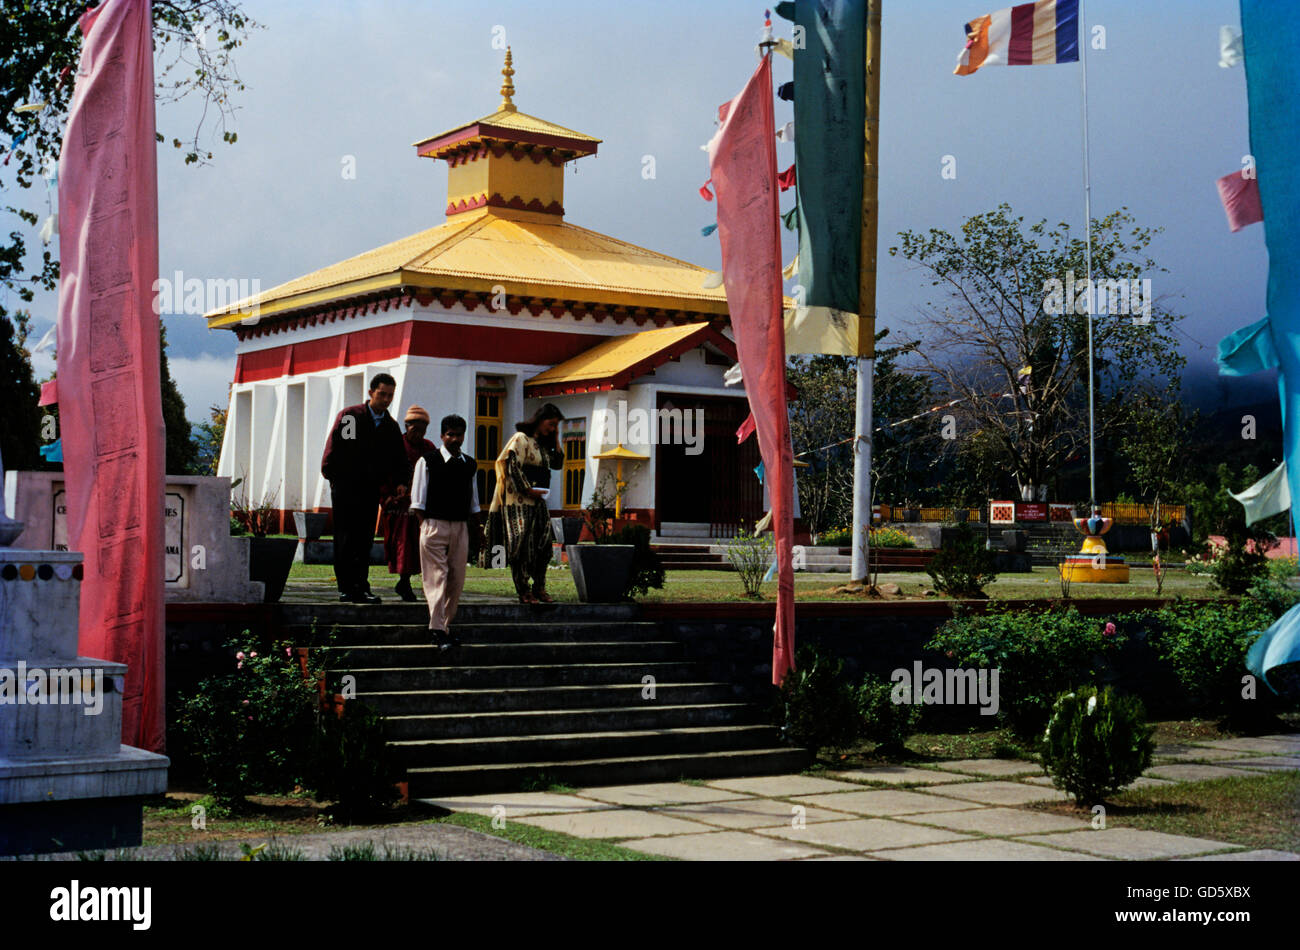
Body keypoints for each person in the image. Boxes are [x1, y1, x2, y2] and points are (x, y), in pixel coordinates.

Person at [320, 373, 407, 604]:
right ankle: (346, 587)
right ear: (371, 393)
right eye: (382, 394)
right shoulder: (352, 417)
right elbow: (342, 449)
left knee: (364, 539)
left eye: (390, 395)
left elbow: (398, 460)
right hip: (346, 487)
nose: (386, 399)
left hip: (370, 490)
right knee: (346, 537)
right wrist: (337, 479)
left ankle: (362, 586)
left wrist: (400, 483)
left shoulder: (390, 427)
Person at [410, 414, 480, 649]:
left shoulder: (469, 464)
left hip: (460, 526)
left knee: (456, 580)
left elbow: (474, 501)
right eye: (450, 434)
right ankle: (438, 630)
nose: (455, 439)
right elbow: (418, 501)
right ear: (442, 436)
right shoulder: (427, 461)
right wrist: (425, 526)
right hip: (434, 524)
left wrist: (476, 529)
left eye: (459, 434)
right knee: (437, 577)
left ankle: (444, 627)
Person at [487, 403, 565, 604]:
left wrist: (555, 437)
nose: (552, 428)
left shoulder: (544, 446)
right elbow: (512, 466)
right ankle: (523, 590)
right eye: (550, 424)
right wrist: (527, 489)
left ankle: (539, 587)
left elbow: (557, 464)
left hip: (538, 502)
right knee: (521, 546)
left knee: (544, 545)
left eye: (556, 425)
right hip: (519, 502)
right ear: (539, 421)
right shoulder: (521, 439)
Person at [381, 406, 436, 602]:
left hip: (421, 505)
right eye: (415, 429)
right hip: (400, 505)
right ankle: (404, 582)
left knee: (420, 544)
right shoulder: (396, 446)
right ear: (407, 426)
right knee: (403, 543)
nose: (419, 434)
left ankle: (408, 582)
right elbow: (384, 471)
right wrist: (387, 496)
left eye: (423, 430)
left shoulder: (429, 448)